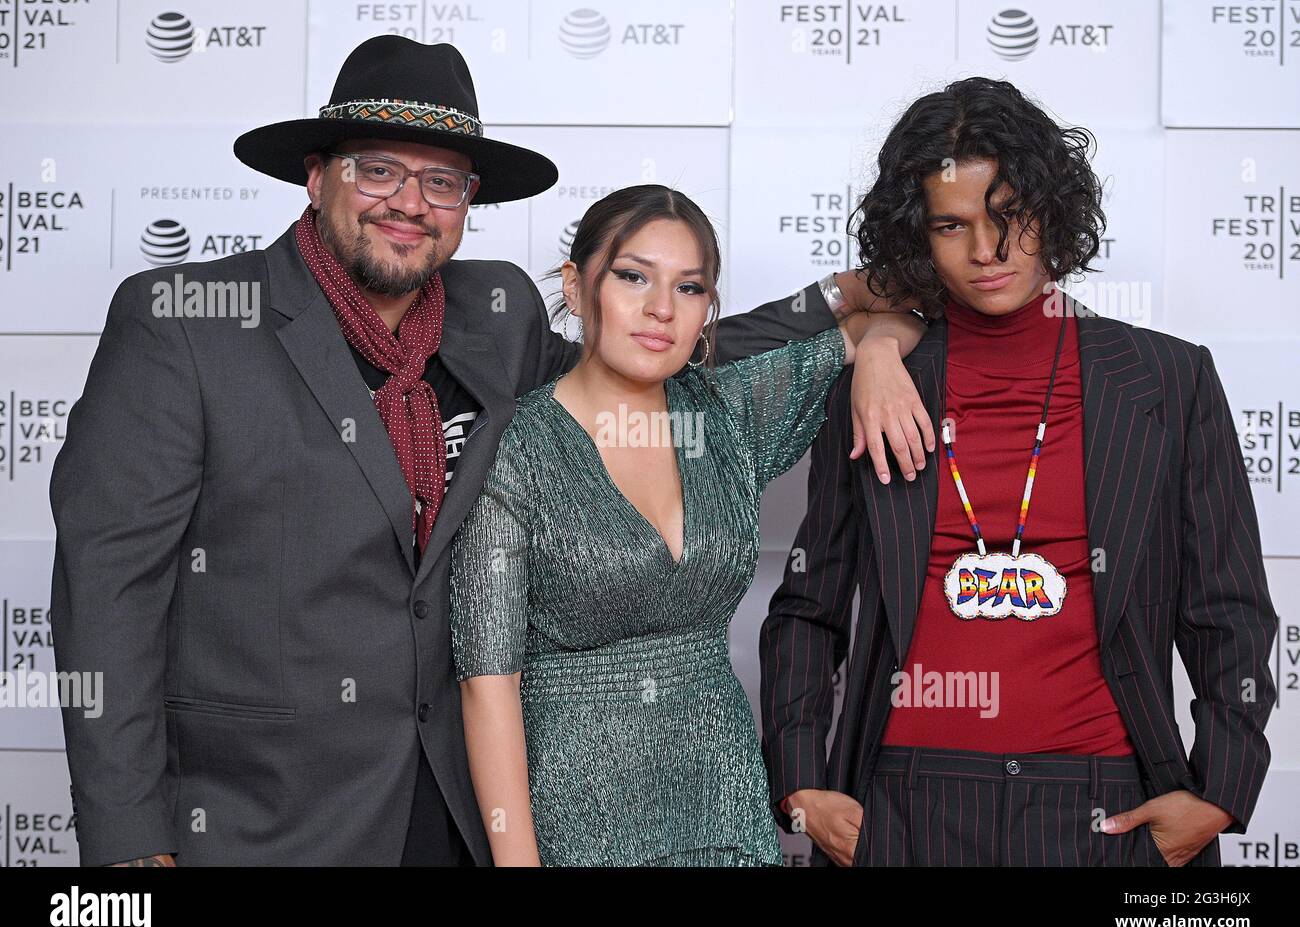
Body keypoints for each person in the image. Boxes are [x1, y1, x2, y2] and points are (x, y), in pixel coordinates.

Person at [48, 36, 923, 866]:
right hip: (264, 817)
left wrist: (856, 313)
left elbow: (646, 360)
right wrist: (130, 841)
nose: (409, 203)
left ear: (469, 204)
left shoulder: (492, 315)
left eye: (442, 182)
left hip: (462, 808)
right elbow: (107, 594)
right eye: (377, 170)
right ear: (315, 178)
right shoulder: (188, 325)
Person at [761, 76, 1279, 867]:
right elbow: (808, 605)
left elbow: (1230, 610)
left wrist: (1220, 792)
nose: (986, 252)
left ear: (1053, 208)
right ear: (916, 237)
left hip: (1112, 807)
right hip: (904, 802)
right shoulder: (876, 385)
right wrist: (801, 786)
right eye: (951, 225)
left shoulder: (1169, 381)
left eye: (1011, 217)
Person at [449, 184, 926, 866]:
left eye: (690, 287)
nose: (661, 310)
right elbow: (487, 684)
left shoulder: (726, 412)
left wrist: (874, 353)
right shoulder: (515, 451)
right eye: (633, 276)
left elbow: (899, 320)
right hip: (578, 824)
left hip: (724, 808)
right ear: (577, 287)